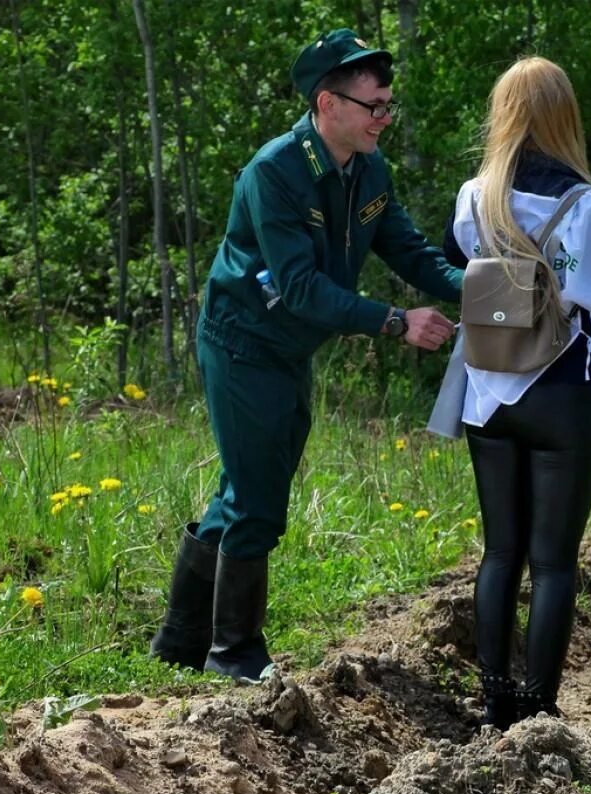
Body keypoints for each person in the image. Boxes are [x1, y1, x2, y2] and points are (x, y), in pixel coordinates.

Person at [150, 29, 462, 682]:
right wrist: (395, 321)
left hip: (290, 352)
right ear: (328, 104)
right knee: (258, 497)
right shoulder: (276, 172)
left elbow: (407, 249)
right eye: (374, 106)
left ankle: (179, 642)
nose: (384, 117)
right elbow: (297, 287)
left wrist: (484, 287)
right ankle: (234, 653)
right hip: (244, 345)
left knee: (244, 486)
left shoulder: (369, 169)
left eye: (388, 105)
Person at [431, 56, 591, 729]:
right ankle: (540, 711)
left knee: (501, 553)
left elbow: (452, 257)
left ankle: (493, 702)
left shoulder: (475, 197)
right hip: (563, 393)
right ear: (566, 118)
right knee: (554, 561)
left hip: (488, 396)